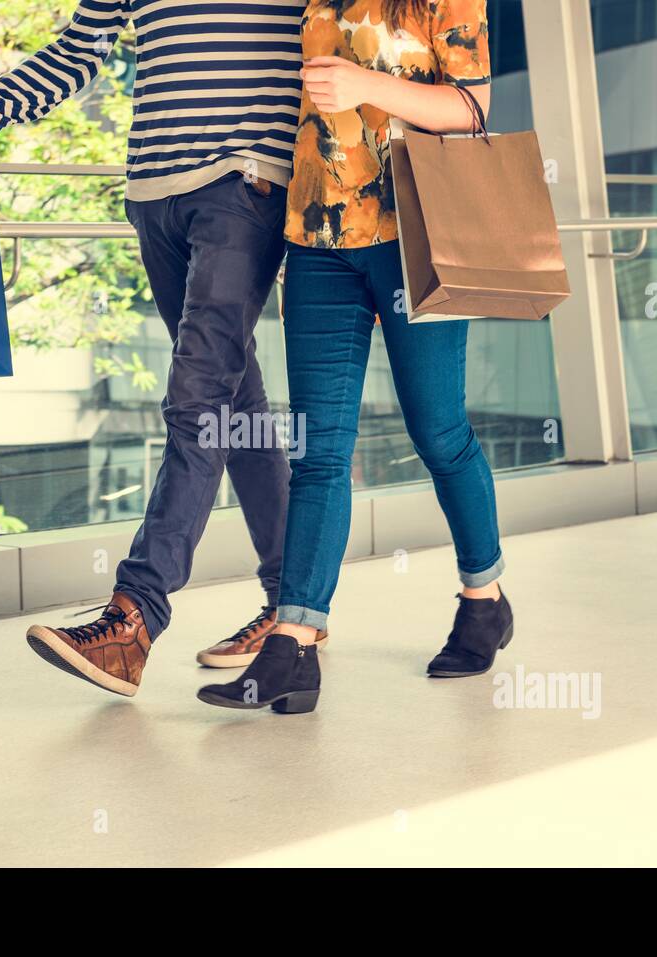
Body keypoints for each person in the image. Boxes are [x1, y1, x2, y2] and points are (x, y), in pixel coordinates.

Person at [0, 0, 325, 698]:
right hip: (155, 196)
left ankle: (135, 617)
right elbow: (77, 52)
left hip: (247, 184)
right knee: (232, 398)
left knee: (198, 400)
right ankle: (291, 604)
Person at [198, 0, 511, 715]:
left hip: (419, 233)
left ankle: (484, 598)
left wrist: (367, 86)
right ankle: (293, 645)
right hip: (319, 239)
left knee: (438, 431)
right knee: (319, 453)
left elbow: (472, 107)